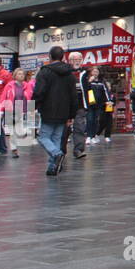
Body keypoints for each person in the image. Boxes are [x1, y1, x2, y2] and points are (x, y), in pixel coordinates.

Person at [33, 46, 80, 177]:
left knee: (43, 137)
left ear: (50, 56)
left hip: (48, 110)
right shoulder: (70, 75)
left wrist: (33, 105)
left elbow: (39, 92)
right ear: (63, 57)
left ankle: (56, 154)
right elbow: (73, 96)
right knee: (56, 139)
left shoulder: (44, 72)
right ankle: (52, 167)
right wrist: (72, 114)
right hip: (64, 112)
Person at [67, 53, 89, 160]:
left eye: (80, 59)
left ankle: (79, 150)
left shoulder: (85, 73)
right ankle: (60, 150)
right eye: (75, 59)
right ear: (70, 60)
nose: (77, 61)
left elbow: (89, 89)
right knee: (64, 129)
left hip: (80, 105)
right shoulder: (65, 72)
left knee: (79, 128)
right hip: (67, 105)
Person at [85, 67, 113, 143]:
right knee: (90, 119)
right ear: (91, 72)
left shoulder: (102, 81)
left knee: (95, 120)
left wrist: (109, 100)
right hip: (90, 103)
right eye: (94, 71)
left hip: (99, 104)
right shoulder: (88, 80)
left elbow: (106, 91)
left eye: (97, 71)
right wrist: (89, 82)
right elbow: (85, 90)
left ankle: (93, 136)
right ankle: (88, 136)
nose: (95, 73)